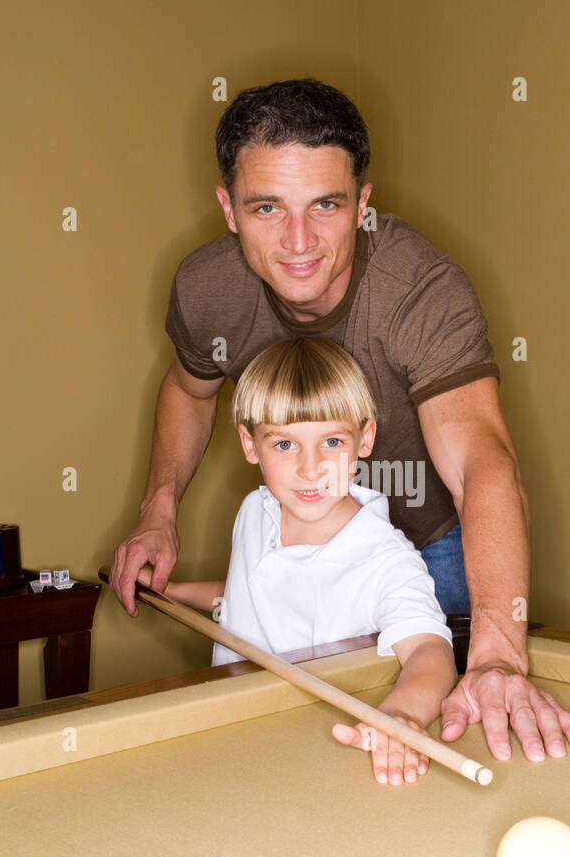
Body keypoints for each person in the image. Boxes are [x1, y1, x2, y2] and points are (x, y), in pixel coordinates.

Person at [111, 78, 570, 766]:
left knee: (440, 712)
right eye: (267, 207)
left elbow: (483, 463)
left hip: (432, 537)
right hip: (302, 531)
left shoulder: (419, 289)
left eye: (326, 204)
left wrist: (498, 654)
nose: (298, 240)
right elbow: (189, 391)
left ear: (362, 203)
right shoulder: (205, 290)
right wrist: (158, 511)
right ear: (228, 209)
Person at [135, 337, 456, 786]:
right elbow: (251, 594)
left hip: (320, 759)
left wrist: (402, 714)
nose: (310, 469)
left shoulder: (385, 558)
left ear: (365, 439)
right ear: (251, 445)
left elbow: (429, 651)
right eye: (285, 445)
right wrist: (171, 591)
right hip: (229, 739)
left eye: (331, 441)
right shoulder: (255, 509)